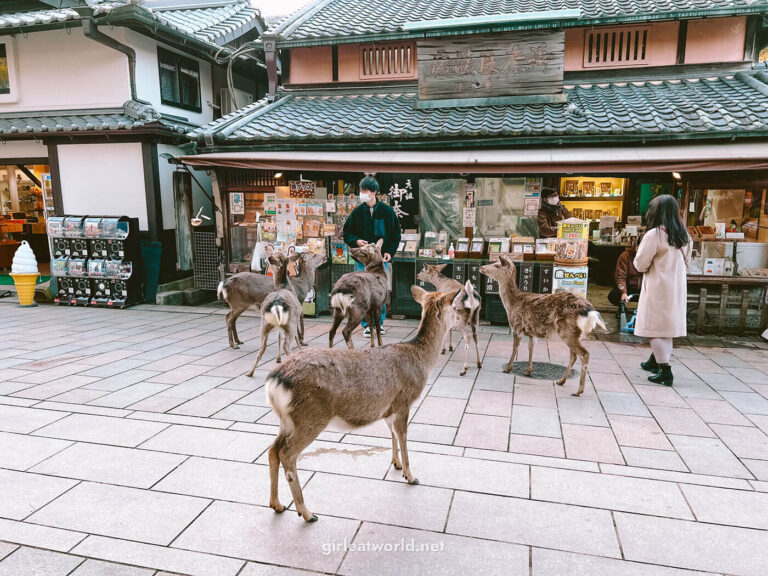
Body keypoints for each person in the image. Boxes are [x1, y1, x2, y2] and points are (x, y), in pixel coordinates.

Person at [634, 195, 692, 386]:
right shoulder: (685, 236)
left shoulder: (655, 235)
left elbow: (640, 264)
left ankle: (664, 370)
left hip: (658, 288)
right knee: (666, 328)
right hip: (676, 288)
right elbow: (687, 262)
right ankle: (655, 360)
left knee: (656, 329)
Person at [343, 176, 401, 335]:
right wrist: (356, 241)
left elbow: (395, 234)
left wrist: (389, 251)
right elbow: (347, 233)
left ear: (374, 192)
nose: (362, 193)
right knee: (362, 292)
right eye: (361, 190)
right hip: (361, 261)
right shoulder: (357, 212)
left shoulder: (387, 212)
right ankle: (367, 324)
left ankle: (379, 323)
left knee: (380, 292)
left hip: (380, 261)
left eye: (365, 190)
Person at [608, 244, 642, 310]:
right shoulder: (625, 256)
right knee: (613, 295)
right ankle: (622, 308)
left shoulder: (649, 257)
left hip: (643, 289)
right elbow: (620, 277)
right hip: (628, 288)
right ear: (636, 246)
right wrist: (623, 292)